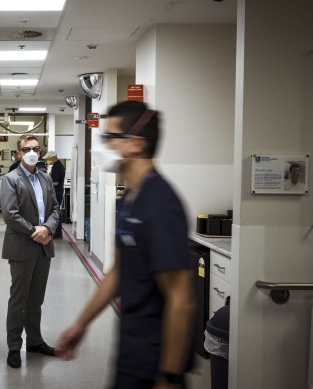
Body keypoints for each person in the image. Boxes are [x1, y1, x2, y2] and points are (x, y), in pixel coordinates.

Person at [56, 101, 196, 389]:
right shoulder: (128, 201)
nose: (102, 146)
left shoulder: (160, 204)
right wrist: (80, 324)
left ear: (135, 144)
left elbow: (181, 299)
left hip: (156, 360)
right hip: (131, 350)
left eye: (110, 138)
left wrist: (168, 377)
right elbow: (118, 273)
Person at [0, 134, 61, 369]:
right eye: (26, 149)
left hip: (44, 246)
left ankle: (35, 341)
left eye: (35, 148)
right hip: (22, 246)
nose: (31, 152)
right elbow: (10, 214)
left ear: (41, 151)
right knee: (19, 300)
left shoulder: (45, 178)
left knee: (36, 300)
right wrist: (34, 231)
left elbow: (56, 208)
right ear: (18, 154)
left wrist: (47, 228)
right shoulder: (10, 179)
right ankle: (14, 347)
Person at [43, 150, 66, 238]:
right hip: (58, 192)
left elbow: (55, 182)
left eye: (48, 159)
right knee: (56, 211)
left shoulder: (56, 167)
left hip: (56, 192)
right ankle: (57, 232)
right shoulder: (59, 165)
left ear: (52, 157)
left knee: (55, 212)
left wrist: (45, 183)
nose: (47, 161)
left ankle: (57, 233)